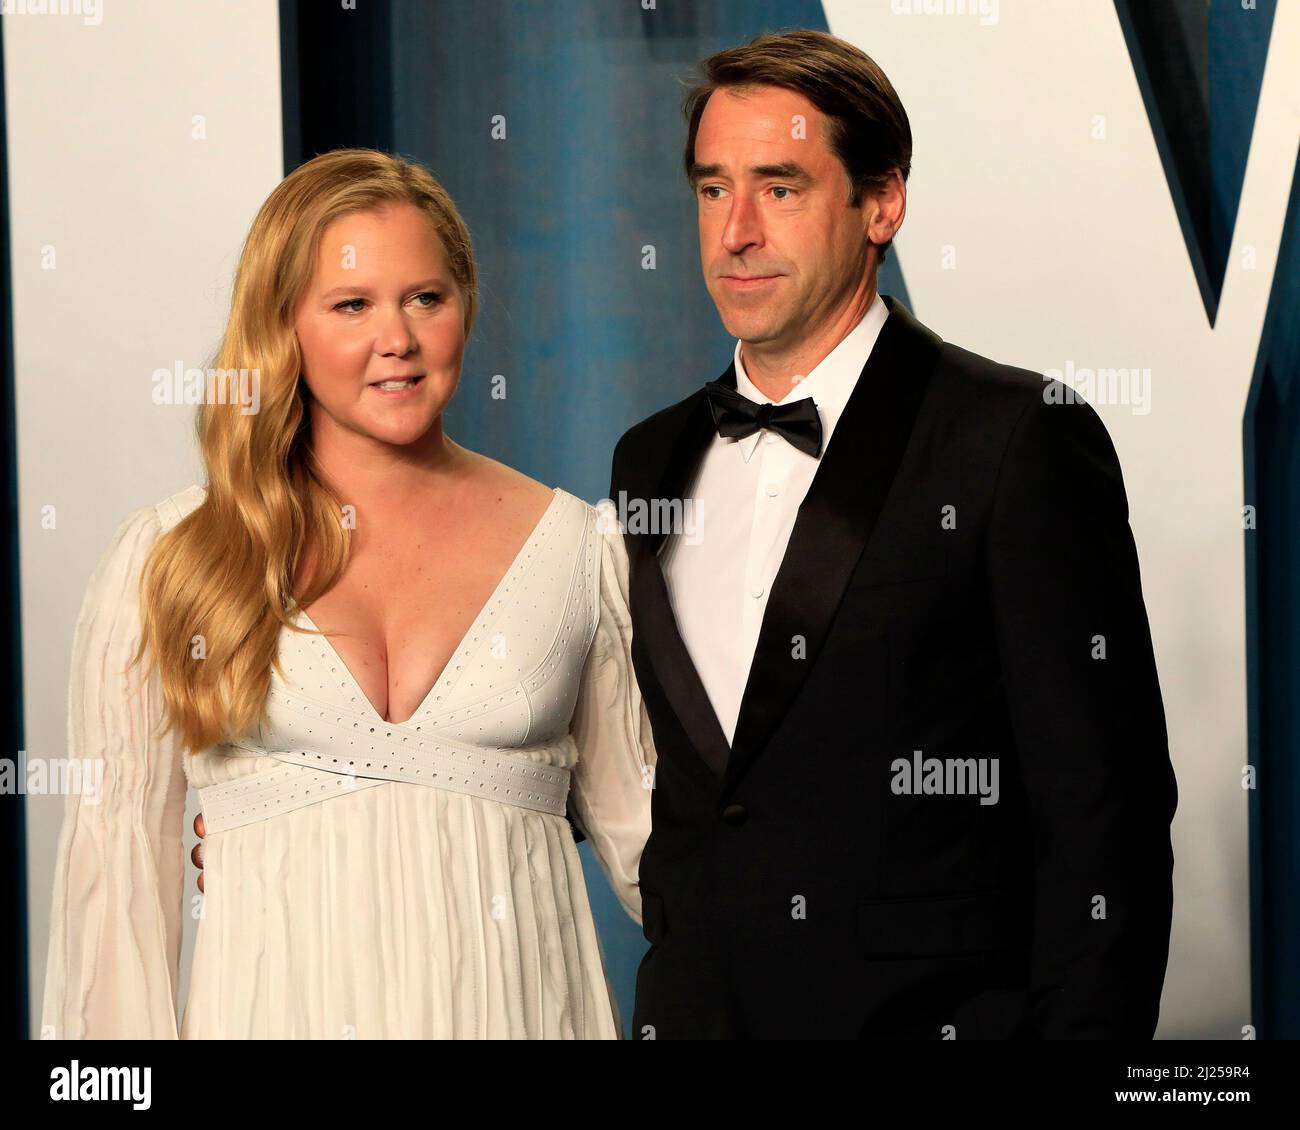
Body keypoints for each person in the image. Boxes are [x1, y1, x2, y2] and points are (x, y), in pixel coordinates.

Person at [611, 29, 1177, 1038]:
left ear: (883, 203)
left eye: (779, 188)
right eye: (711, 189)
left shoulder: (1013, 438)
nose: (735, 229)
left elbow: (1106, 822)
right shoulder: (647, 459)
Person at [40, 148, 654, 1039]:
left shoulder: (575, 549)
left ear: (464, 307)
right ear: (284, 324)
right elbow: (116, 898)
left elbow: (659, 855)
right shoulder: (174, 557)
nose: (395, 338)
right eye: (352, 305)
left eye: (425, 299)